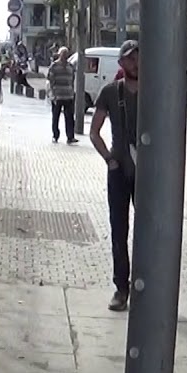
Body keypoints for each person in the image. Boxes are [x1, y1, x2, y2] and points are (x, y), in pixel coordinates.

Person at [89, 39, 139, 312]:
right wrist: (109, 159)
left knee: (148, 232)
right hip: (119, 173)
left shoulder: (155, 92)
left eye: (139, 57)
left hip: (148, 175)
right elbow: (94, 131)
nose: (136, 63)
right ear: (121, 63)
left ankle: (147, 286)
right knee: (119, 231)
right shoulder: (110, 92)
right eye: (130, 59)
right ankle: (122, 288)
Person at [46, 46, 77, 143]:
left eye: (66, 54)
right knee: (56, 117)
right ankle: (55, 135)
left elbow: (72, 79)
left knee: (70, 117)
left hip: (68, 95)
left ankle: (70, 137)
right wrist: (52, 94)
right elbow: (50, 80)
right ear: (59, 55)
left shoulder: (70, 66)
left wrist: (72, 92)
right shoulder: (54, 66)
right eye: (63, 54)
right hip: (57, 96)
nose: (65, 56)